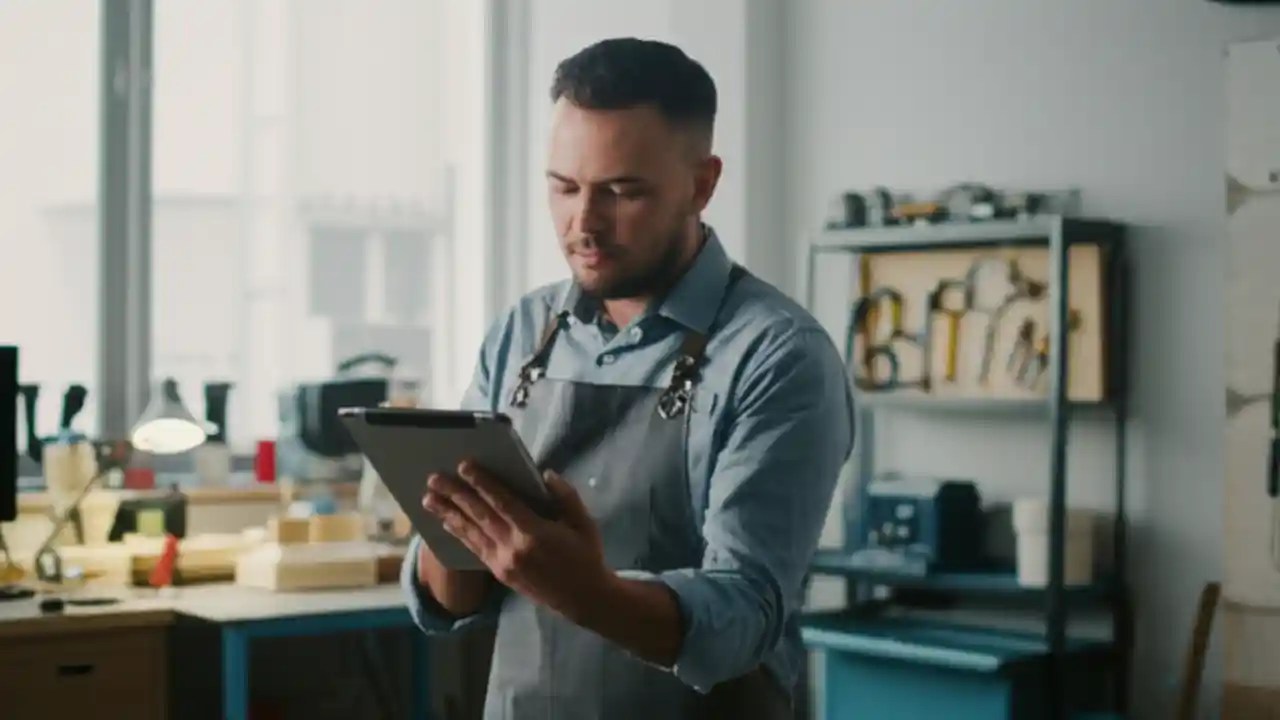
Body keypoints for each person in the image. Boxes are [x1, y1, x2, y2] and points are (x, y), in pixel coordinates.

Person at [400, 36, 855, 720]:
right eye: (564, 187)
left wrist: (586, 591)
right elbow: (450, 600)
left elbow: (745, 616)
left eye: (621, 192)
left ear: (701, 184)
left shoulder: (778, 357)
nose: (583, 223)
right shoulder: (522, 333)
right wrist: (449, 525)